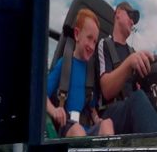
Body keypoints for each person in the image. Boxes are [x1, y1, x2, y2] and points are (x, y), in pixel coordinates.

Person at [97, 0, 157, 135]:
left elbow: (144, 87)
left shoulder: (133, 52)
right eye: (130, 15)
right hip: (112, 112)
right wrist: (129, 63)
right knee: (138, 97)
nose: (132, 21)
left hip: (135, 108)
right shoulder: (105, 44)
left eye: (135, 20)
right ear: (118, 13)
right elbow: (106, 90)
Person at [45, 9, 116, 137]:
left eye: (95, 41)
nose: (92, 46)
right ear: (77, 34)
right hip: (67, 127)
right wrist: (54, 110)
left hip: (87, 129)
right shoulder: (64, 64)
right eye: (89, 38)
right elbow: (42, 95)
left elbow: (92, 106)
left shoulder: (90, 71)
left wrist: (96, 119)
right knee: (78, 131)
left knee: (108, 123)